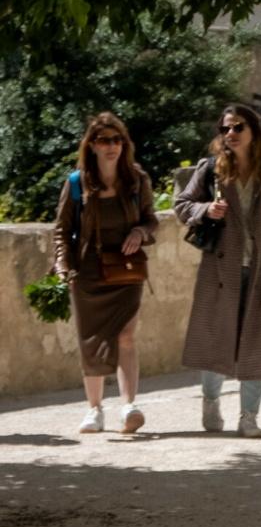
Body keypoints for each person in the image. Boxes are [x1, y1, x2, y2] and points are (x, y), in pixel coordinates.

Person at [175, 103, 261, 438]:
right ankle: (211, 401)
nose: (231, 134)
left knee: (257, 343)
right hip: (220, 270)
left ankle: (248, 416)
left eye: (238, 127)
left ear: (254, 131)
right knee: (215, 339)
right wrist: (207, 209)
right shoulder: (211, 169)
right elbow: (181, 204)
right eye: (225, 129)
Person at [52, 111, 158, 436]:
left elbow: (152, 220)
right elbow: (62, 229)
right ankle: (94, 410)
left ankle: (129, 406)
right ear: (92, 146)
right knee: (92, 341)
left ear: (124, 144)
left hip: (126, 270)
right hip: (88, 272)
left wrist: (140, 233)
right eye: (104, 140)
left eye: (117, 140)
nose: (111, 146)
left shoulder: (137, 180)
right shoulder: (76, 182)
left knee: (125, 336)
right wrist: (62, 264)